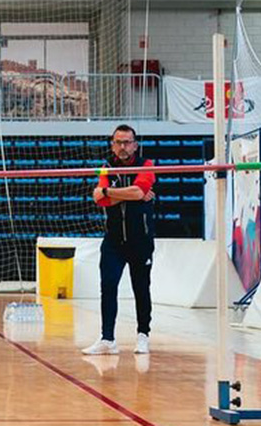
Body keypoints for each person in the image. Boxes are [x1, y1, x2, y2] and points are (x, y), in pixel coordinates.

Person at [82, 124, 156, 356]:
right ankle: (107, 339)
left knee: (141, 288)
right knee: (108, 286)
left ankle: (143, 335)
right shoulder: (106, 167)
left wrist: (109, 192)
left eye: (127, 142)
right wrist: (125, 193)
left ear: (135, 144)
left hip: (140, 240)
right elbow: (101, 199)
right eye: (118, 142)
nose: (123, 147)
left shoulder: (147, 165)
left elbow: (138, 191)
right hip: (113, 241)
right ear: (112, 144)